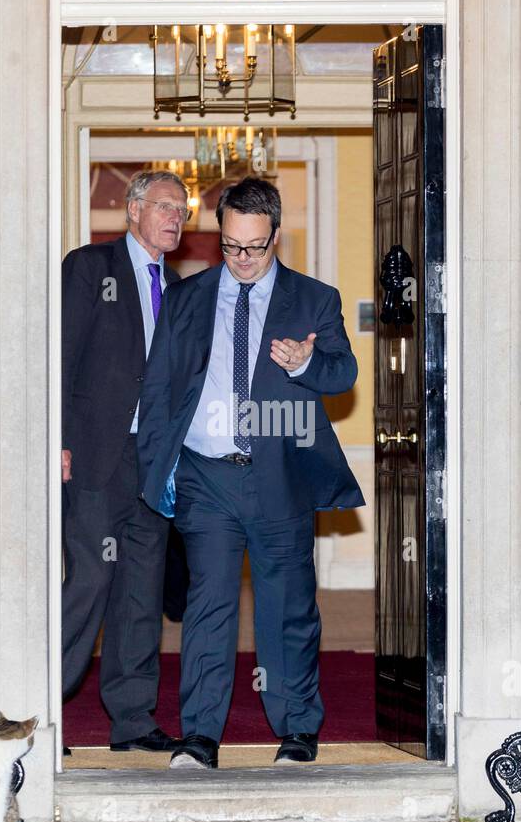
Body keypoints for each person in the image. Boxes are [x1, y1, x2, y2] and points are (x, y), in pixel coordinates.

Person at [136, 177, 364, 769]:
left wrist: (308, 361)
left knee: (287, 606)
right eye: (231, 246)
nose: (241, 259)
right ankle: (200, 735)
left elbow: (343, 374)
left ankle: (295, 729)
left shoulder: (314, 298)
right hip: (206, 478)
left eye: (254, 247)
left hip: (278, 477)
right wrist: (160, 468)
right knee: (208, 606)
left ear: (275, 236)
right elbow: (159, 387)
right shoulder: (187, 298)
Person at [60, 169, 190, 752]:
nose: (175, 218)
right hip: (93, 456)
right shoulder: (90, 269)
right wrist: (55, 440)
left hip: (154, 462)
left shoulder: (180, 287)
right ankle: (41, 709)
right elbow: (59, 359)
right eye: (165, 206)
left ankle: (133, 721)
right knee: (89, 580)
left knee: (141, 590)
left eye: (182, 211)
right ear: (133, 210)